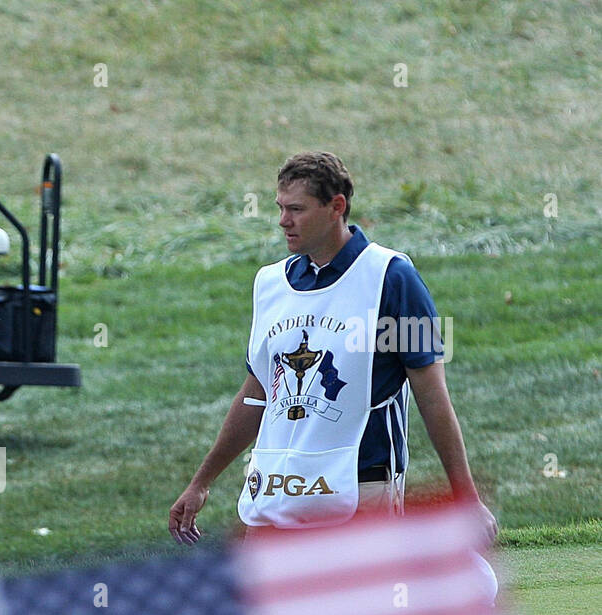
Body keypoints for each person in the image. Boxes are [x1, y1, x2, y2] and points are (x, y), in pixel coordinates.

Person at [169, 151, 497, 545]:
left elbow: (431, 394)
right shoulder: (271, 283)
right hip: (277, 494)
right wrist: (201, 483)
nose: (282, 220)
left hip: (362, 491)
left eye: (296, 209)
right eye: (280, 207)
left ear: (336, 207)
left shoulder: (391, 278)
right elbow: (257, 395)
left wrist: (466, 497)